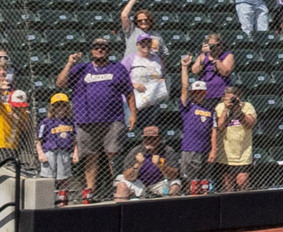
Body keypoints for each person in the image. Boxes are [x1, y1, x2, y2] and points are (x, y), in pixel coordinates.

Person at [58, 37, 133, 202]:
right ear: (91, 50)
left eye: (104, 47)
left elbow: (129, 93)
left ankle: (118, 185)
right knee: (91, 156)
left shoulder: (117, 68)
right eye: (96, 47)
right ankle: (90, 191)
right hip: (86, 120)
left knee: (113, 152)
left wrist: (133, 114)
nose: (100, 50)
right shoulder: (81, 68)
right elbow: (60, 83)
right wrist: (70, 63)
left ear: (109, 50)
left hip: (113, 119)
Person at [112, 124, 180, 200]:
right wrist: (138, 164)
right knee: (122, 186)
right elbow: (128, 177)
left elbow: (173, 175)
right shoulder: (136, 151)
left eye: (152, 138)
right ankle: (122, 210)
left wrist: (160, 165)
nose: (149, 141)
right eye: (146, 138)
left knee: (174, 187)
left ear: (159, 139)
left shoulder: (167, 151)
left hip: (160, 182)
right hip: (139, 182)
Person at [212, 90, 256, 192]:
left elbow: (249, 124)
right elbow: (220, 126)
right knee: (228, 187)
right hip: (225, 156)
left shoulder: (247, 106)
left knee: (242, 183)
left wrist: (238, 111)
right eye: (229, 98)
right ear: (224, 98)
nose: (232, 101)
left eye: (234, 98)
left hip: (243, 154)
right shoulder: (219, 107)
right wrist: (226, 109)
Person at [177, 80, 215, 192]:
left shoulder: (210, 109)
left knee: (204, 182)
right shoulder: (187, 106)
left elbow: (213, 130)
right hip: (190, 148)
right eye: (195, 92)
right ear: (191, 93)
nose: (198, 95)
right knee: (190, 182)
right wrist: (184, 67)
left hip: (205, 149)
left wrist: (213, 149)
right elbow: (184, 88)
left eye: (201, 92)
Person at [35, 92, 76, 188]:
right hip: (49, 152)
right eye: (57, 106)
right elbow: (38, 140)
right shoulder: (46, 122)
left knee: (64, 177)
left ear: (67, 107)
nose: (60, 108)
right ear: (52, 107)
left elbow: (75, 139)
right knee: (48, 177)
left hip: (64, 152)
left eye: (63, 105)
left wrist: (75, 153)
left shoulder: (71, 121)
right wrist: (40, 153)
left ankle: (63, 197)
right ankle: (47, 197)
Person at [128, 33, 171, 121]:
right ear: (137, 44)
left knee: (150, 125)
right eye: (143, 42)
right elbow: (120, 77)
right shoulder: (130, 58)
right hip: (134, 99)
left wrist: (161, 81)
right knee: (132, 125)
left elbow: (162, 74)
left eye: (148, 42)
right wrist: (133, 84)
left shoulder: (157, 59)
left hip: (152, 99)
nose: (146, 45)